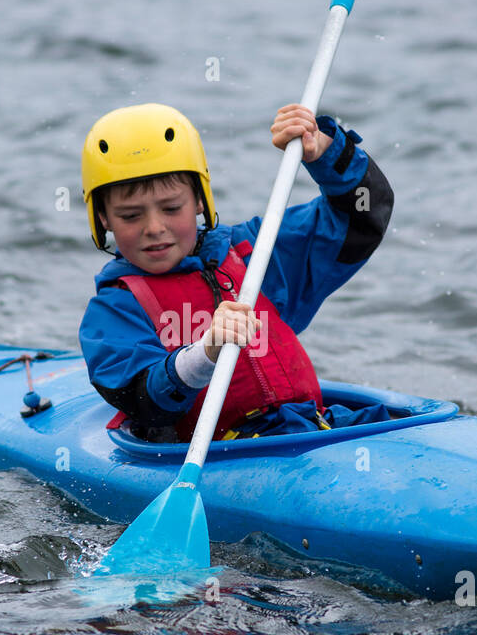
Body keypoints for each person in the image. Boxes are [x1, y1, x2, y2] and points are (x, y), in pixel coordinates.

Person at [78, 102, 393, 442]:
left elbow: (364, 213)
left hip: (310, 429)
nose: (154, 227)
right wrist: (205, 353)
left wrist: (325, 154)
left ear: (200, 200)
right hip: (226, 455)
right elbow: (144, 402)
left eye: (171, 208)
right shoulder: (115, 308)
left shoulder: (255, 254)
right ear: (104, 219)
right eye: (130, 216)